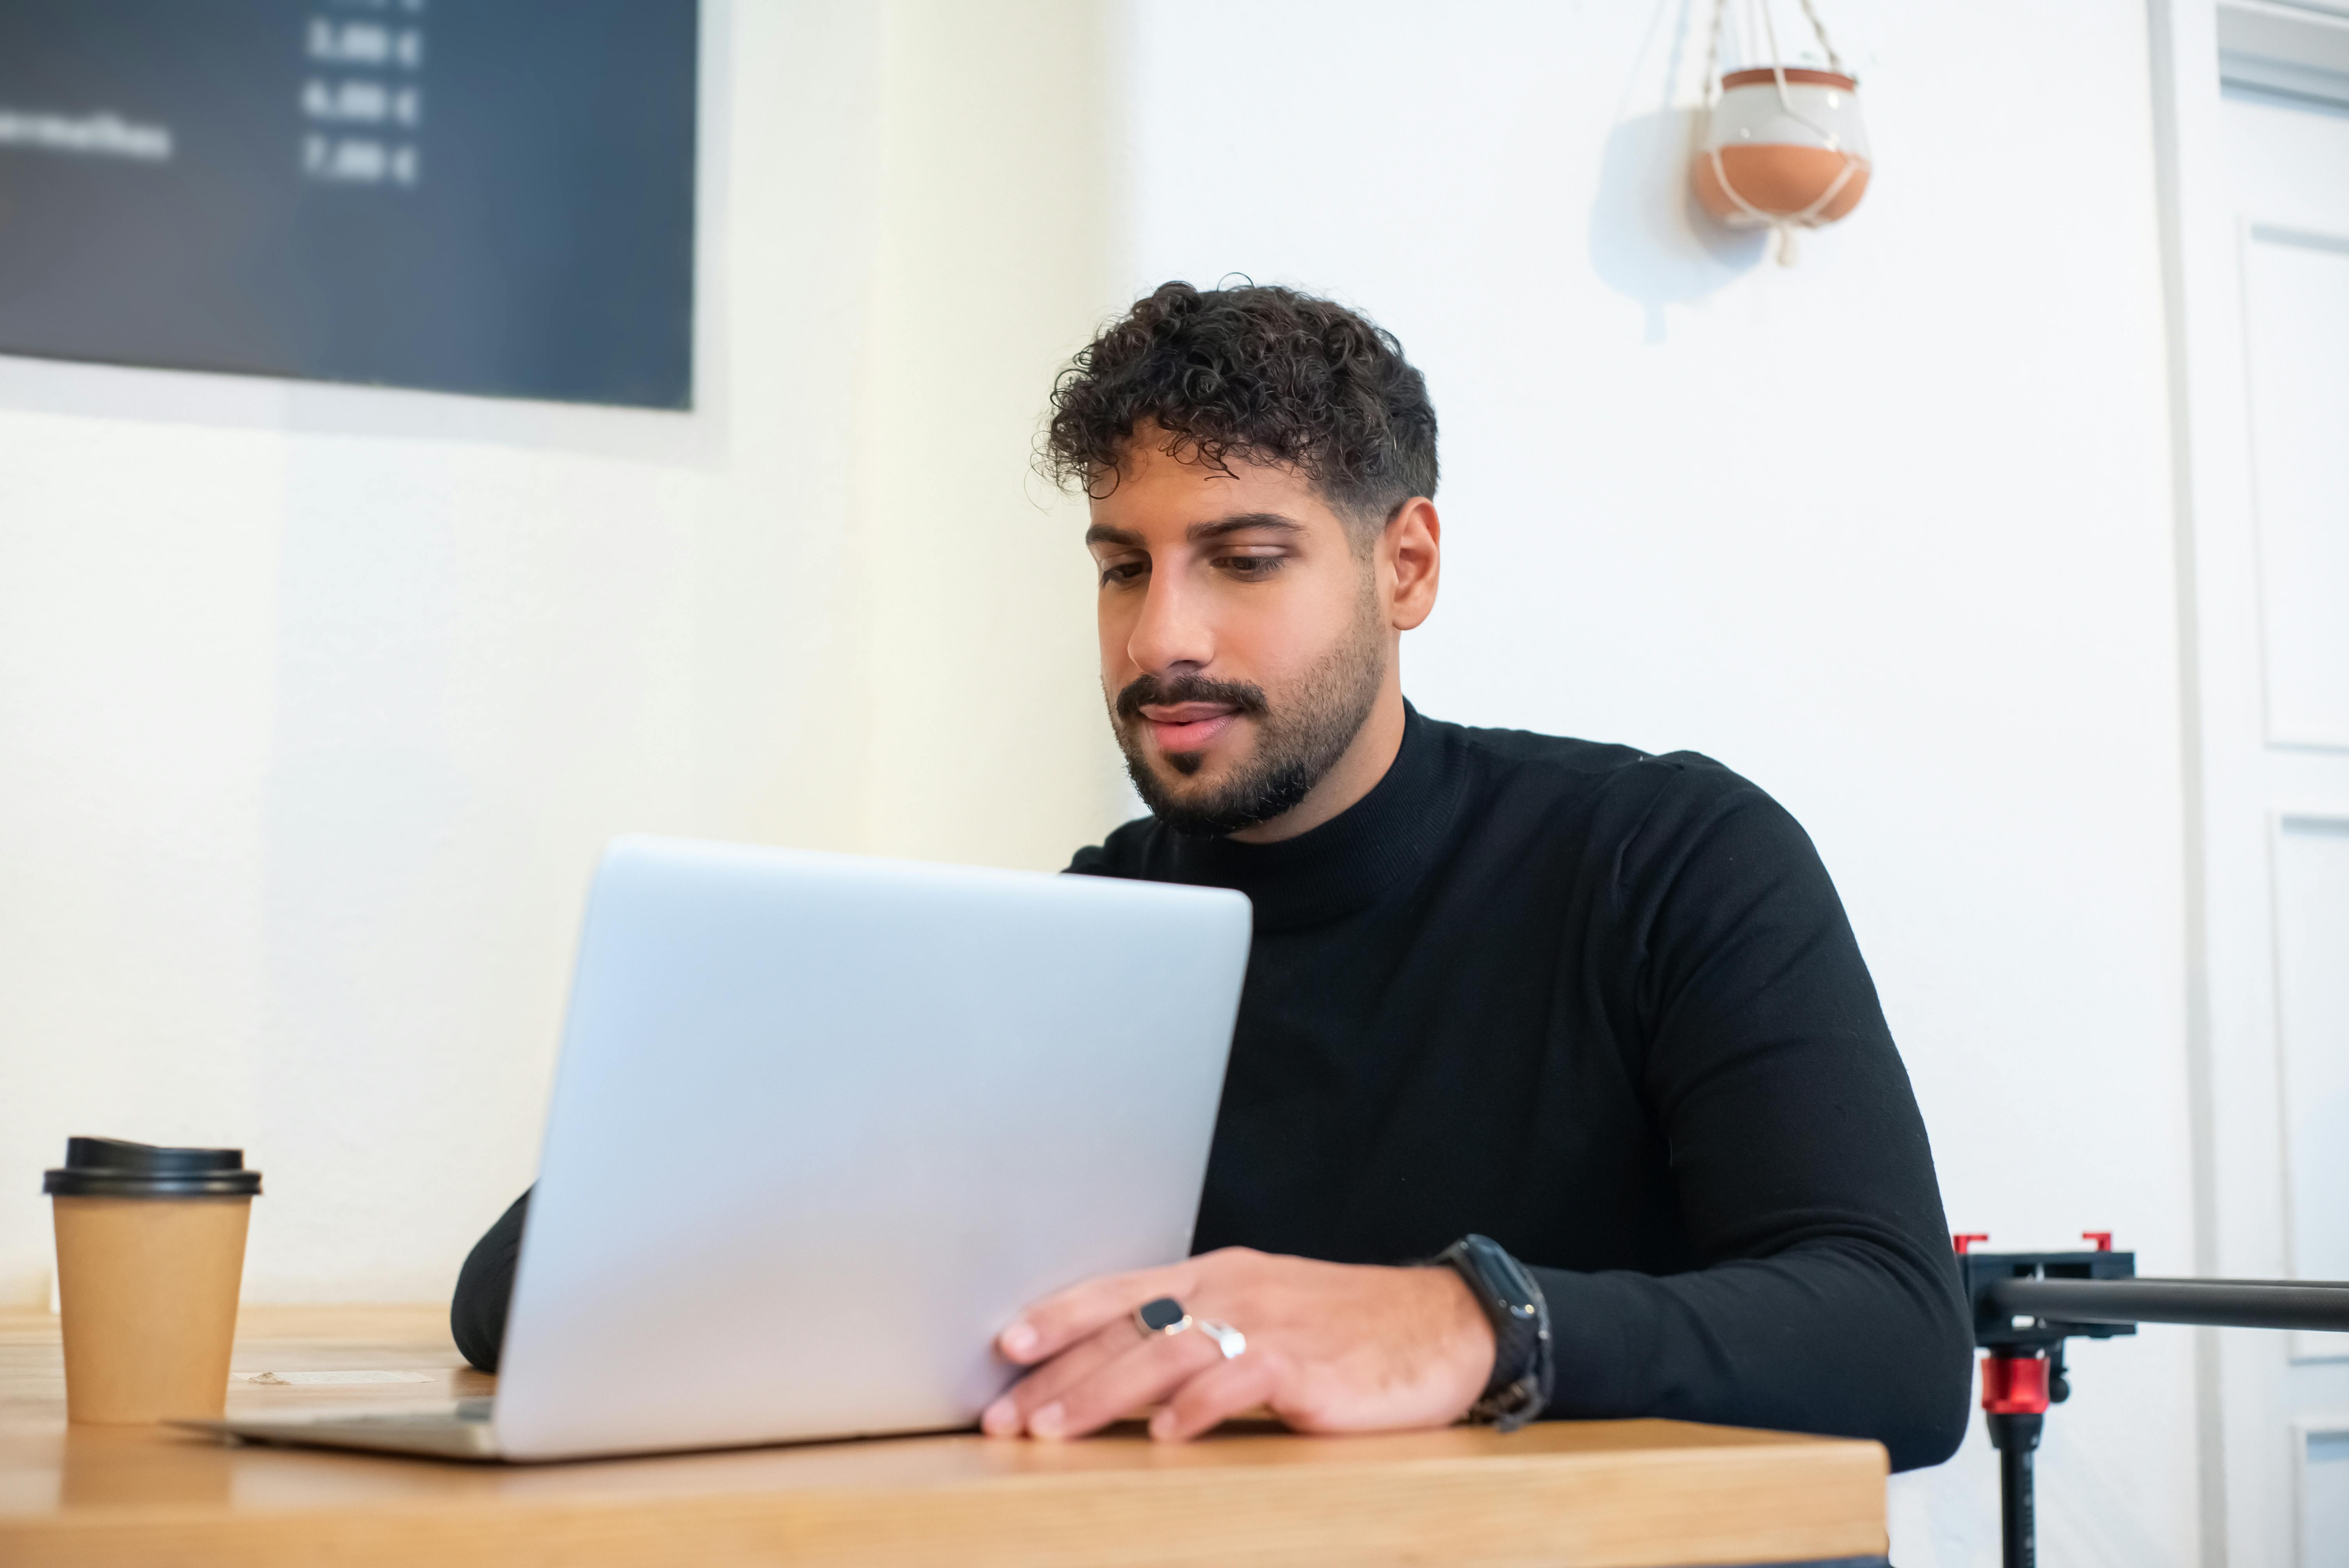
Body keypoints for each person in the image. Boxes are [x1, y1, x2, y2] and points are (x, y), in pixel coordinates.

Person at [453, 282, 1972, 1470]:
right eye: (1124, 565)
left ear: (1407, 565)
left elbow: (1898, 1345)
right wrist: (813, 1040)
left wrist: (1471, 1319)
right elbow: (517, 1298)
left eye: (1243, 559)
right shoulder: (1076, 943)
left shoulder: (1670, 857)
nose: (1162, 637)